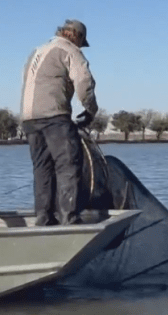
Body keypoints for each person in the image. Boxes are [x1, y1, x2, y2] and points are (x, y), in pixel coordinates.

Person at [20, 19, 98, 226]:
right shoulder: (70, 51)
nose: (81, 46)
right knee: (68, 166)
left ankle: (43, 218)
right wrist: (90, 110)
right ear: (77, 37)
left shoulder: (36, 51)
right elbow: (84, 82)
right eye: (81, 42)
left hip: (29, 119)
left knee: (42, 168)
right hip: (53, 117)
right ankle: (68, 219)